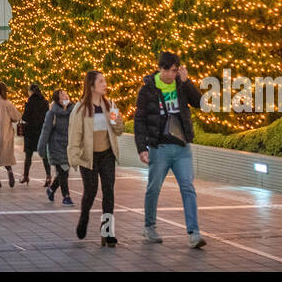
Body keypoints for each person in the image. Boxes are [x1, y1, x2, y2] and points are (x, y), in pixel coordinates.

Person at [135, 51, 206, 249]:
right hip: (160, 147)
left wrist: (187, 81)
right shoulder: (148, 89)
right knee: (153, 188)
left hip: (182, 147)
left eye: (177, 70)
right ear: (162, 69)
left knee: (188, 187)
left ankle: (194, 233)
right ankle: (149, 226)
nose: (175, 74)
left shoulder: (181, 84)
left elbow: (200, 103)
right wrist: (142, 148)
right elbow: (140, 120)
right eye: (173, 71)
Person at [67, 70, 125, 246]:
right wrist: (74, 157)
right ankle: (84, 217)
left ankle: (107, 232)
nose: (105, 85)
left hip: (107, 154)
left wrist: (117, 119)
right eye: (101, 82)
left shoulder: (110, 106)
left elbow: (119, 131)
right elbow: (74, 135)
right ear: (91, 86)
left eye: (105, 81)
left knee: (109, 193)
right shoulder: (80, 109)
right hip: (88, 156)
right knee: (90, 192)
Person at [38, 88, 74, 205]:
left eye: (66, 94)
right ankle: (66, 197)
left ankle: (51, 189)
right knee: (63, 172)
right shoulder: (52, 114)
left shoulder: (72, 112)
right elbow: (45, 130)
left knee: (64, 172)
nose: (66, 97)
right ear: (57, 100)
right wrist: (41, 147)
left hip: (68, 147)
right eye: (62, 96)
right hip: (56, 147)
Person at [0, 82, 22, 187]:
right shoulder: (8, 103)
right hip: (7, 134)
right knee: (6, 155)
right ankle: (10, 171)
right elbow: (16, 117)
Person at [20, 84, 51, 186]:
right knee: (44, 155)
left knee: (28, 156)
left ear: (31, 91)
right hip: (42, 131)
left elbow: (25, 117)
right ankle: (48, 176)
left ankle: (26, 175)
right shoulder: (45, 102)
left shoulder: (29, 102)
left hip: (30, 132)